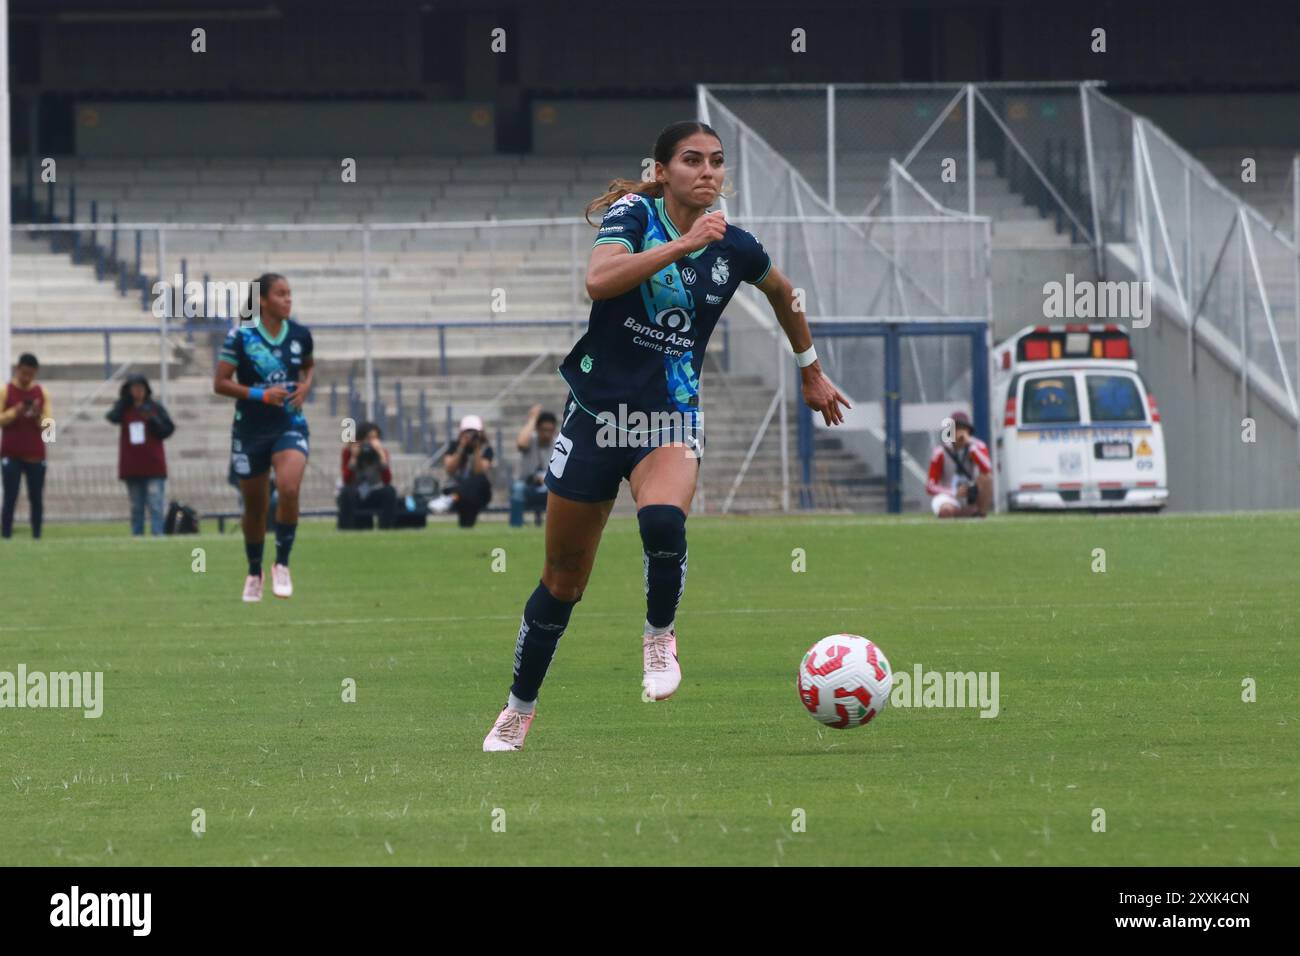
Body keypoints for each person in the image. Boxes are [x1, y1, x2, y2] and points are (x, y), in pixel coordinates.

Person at [482, 121, 850, 751]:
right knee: (563, 581)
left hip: (667, 418)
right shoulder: (633, 214)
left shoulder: (736, 246)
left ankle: (659, 637)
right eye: (691, 161)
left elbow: (786, 296)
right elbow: (600, 281)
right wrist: (684, 246)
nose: (707, 172)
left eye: (716, 162)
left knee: (662, 523)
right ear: (661, 171)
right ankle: (518, 708)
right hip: (596, 416)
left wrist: (810, 371)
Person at [213, 273, 314, 601]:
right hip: (250, 430)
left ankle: (281, 564)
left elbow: (308, 367)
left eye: (290, 293)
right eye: (281, 294)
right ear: (262, 300)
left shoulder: (300, 334)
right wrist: (258, 394)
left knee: (288, 487)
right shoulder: (241, 337)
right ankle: (254, 570)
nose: (288, 299)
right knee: (255, 508)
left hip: (289, 424)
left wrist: (306, 385)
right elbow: (221, 383)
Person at [106, 373, 175, 536]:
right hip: (132, 465)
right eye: (134, 388)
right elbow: (111, 417)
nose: (137, 391)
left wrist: (152, 420)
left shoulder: (154, 408)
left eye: (140, 388)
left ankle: (158, 534)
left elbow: (168, 429)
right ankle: (137, 535)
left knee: (155, 504)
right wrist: (122, 403)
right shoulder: (125, 409)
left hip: (153, 465)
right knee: (136, 506)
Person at [0, 353, 52, 540]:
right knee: (10, 497)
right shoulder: (5, 391)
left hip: (35, 455)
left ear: (35, 373)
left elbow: (49, 431)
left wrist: (38, 415)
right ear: (17, 369)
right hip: (11, 454)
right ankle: (5, 535)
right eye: (23, 373)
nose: (26, 378)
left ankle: (36, 535)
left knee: (36, 498)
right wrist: (16, 411)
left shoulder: (42, 393)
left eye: (30, 374)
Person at [428, 414, 494, 527]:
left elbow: (480, 472)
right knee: (463, 493)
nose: (471, 435)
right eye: (468, 432)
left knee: (478, 481)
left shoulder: (485, 449)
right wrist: (461, 447)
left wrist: (477, 449)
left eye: (474, 432)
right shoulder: (454, 446)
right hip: (458, 489)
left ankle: (450, 500)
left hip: (477, 492)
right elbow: (450, 470)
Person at [926, 410, 992, 518]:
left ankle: (980, 513)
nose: (960, 433)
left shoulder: (978, 446)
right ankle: (964, 513)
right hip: (949, 496)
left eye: (963, 429)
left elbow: (987, 468)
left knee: (987, 478)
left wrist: (972, 448)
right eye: (956, 429)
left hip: (972, 493)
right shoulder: (940, 452)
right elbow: (930, 486)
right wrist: (954, 492)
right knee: (946, 511)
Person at [339, 421, 397, 529]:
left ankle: (387, 526)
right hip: (357, 492)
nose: (370, 443)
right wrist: (354, 457)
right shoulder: (348, 452)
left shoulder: (382, 452)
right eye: (368, 438)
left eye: (375, 438)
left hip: (375, 491)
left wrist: (381, 455)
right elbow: (346, 480)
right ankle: (346, 527)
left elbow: (387, 480)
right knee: (345, 492)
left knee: (390, 491)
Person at [510, 404, 556, 527]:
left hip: (549, 488)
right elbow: (520, 443)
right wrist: (533, 418)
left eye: (550, 430)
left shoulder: (558, 444)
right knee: (518, 488)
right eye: (543, 430)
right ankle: (516, 526)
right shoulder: (530, 440)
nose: (547, 434)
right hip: (527, 485)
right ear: (537, 429)